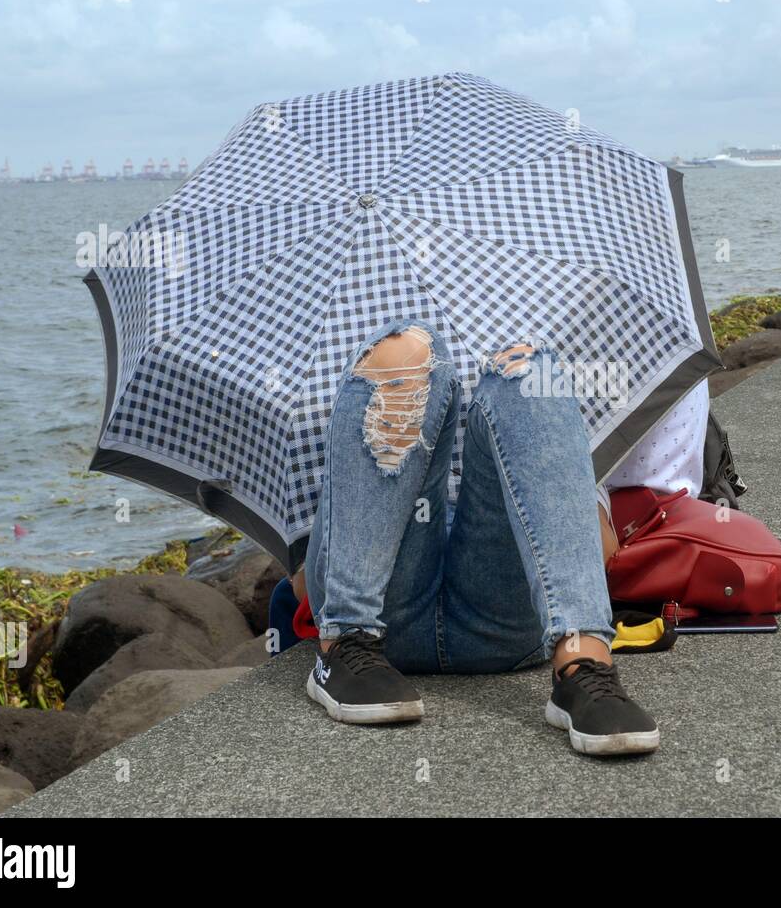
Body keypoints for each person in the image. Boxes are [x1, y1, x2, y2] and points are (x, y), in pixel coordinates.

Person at [293, 320, 709, 756]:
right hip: (380, 607)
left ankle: (583, 663)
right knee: (402, 352)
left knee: (531, 369)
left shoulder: (542, 355)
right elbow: (303, 580)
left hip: (501, 616)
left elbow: (602, 549)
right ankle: (344, 645)